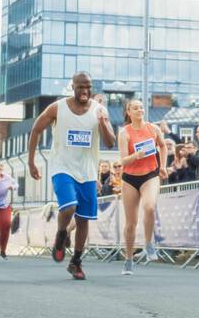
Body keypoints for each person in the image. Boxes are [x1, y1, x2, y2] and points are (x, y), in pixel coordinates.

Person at [26, 72, 115, 281]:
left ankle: (75, 261)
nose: (84, 91)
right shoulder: (58, 107)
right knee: (69, 207)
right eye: (80, 87)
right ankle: (61, 233)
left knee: (83, 220)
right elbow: (36, 129)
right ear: (73, 87)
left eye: (88, 87)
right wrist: (30, 161)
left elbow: (110, 142)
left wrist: (102, 122)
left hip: (88, 172)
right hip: (62, 167)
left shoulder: (99, 110)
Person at [117, 99, 170, 273]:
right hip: (130, 178)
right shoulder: (124, 133)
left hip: (150, 174)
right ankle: (128, 259)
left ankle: (148, 244)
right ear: (128, 112)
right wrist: (136, 155)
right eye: (135, 108)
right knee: (131, 223)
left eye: (141, 107)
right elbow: (123, 160)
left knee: (149, 207)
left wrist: (162, 165)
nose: (139, 110)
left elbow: (163, 146)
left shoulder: (153, 129)